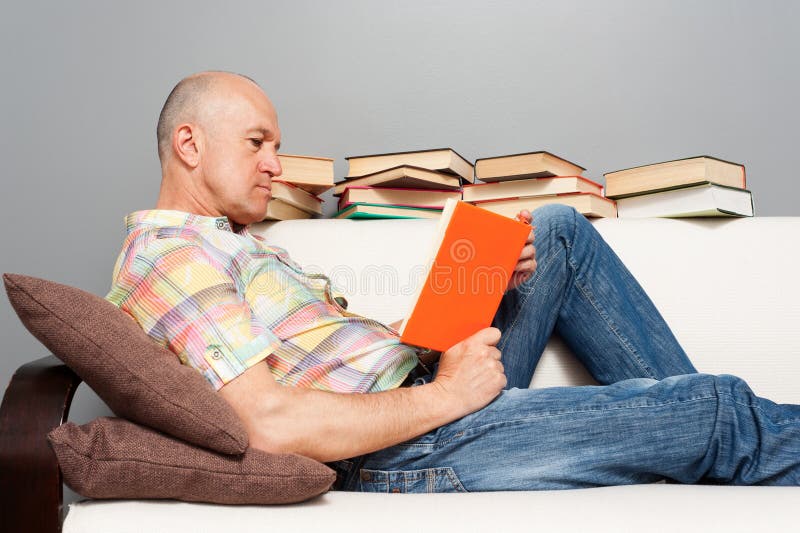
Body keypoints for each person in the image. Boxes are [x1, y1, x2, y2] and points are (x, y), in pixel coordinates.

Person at [106, 71, 800, 492]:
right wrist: (445, 395)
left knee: (555, 232)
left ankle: (706, 441)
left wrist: (469, 297)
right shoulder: (171, 258)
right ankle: (709, 432)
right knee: (715, 408)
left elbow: (325, 361)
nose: (276, 165)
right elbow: (269, 422)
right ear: (189, 144)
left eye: (277, 146)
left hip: (420, 388)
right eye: (258, 143)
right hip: (400, 444)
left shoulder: (231, 243)